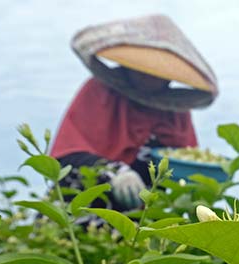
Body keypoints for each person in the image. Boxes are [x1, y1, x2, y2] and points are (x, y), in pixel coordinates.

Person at [50, 14, 218, 210]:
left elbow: (186, 163)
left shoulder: (174, 109)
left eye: (160, 70)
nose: (151, 75)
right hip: (83, 213)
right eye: (145, 67)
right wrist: (116, 173)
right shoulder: (100, 91)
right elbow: (67, 156)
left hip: (144, 217)